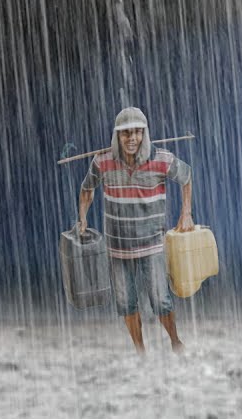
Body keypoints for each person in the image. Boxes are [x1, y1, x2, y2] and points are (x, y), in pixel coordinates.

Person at [76, 107, 194, 354]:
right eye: (125, 133)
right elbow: (87, 189)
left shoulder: (162, 159)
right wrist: (82, 218)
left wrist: (186, 214)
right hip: (117, 247)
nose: (132, 139)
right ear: (117, 136)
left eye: (137, 133)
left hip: (152, 244)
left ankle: (175, 342)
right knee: (125, 302)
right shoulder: (103, 161)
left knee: (161, 299)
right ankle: (140, 350)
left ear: (145, 133)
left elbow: (186, 177)